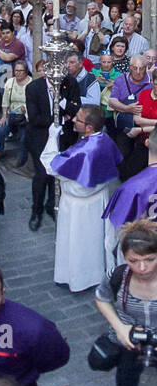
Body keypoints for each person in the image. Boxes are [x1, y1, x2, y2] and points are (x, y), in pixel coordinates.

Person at [47, 105, 121, 292]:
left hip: (76, 206)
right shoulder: (105, 139)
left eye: (78, 119)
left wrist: (52, 138)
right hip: (99, 200)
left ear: (89, 127)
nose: (73, 120)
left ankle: (77, 278)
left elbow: (51, 166)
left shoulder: (82, 151)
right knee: (95, 243)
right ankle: (96, 274)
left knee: (77, 244)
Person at [89, 222, 157, 386]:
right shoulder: (118, 275)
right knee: (126, 371)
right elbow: (101, 297)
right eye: (133, 261)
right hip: (130, 338)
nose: (142, 268)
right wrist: (120, 328)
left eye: (150, 259)